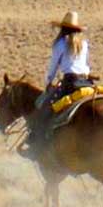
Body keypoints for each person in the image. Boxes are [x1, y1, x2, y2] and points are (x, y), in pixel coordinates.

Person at [22, 10, 92, 159]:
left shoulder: (60, 44)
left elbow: (53, 67)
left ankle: (35, 146)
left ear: (63, 28)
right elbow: (85, 66)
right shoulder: (84, 44)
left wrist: (48, 83)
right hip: (86, 83)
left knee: (44, 109)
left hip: (70, 84)